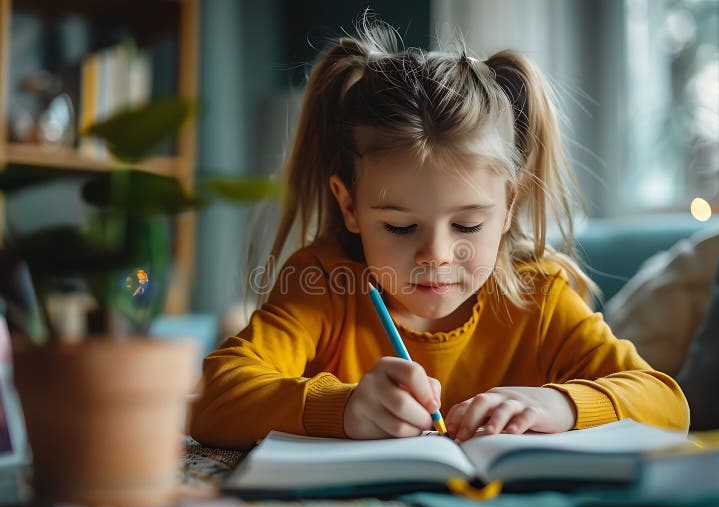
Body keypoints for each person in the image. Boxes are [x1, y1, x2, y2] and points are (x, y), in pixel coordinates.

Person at [189, 17, 689, 450]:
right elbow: (213, 397)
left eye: (468, 224)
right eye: (400, 226)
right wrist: (341, 409)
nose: (436, 255)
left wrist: (561, 404)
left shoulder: (541, 297)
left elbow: (667, 403)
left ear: (509, 204)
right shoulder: (323, 285)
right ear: (349, 205)